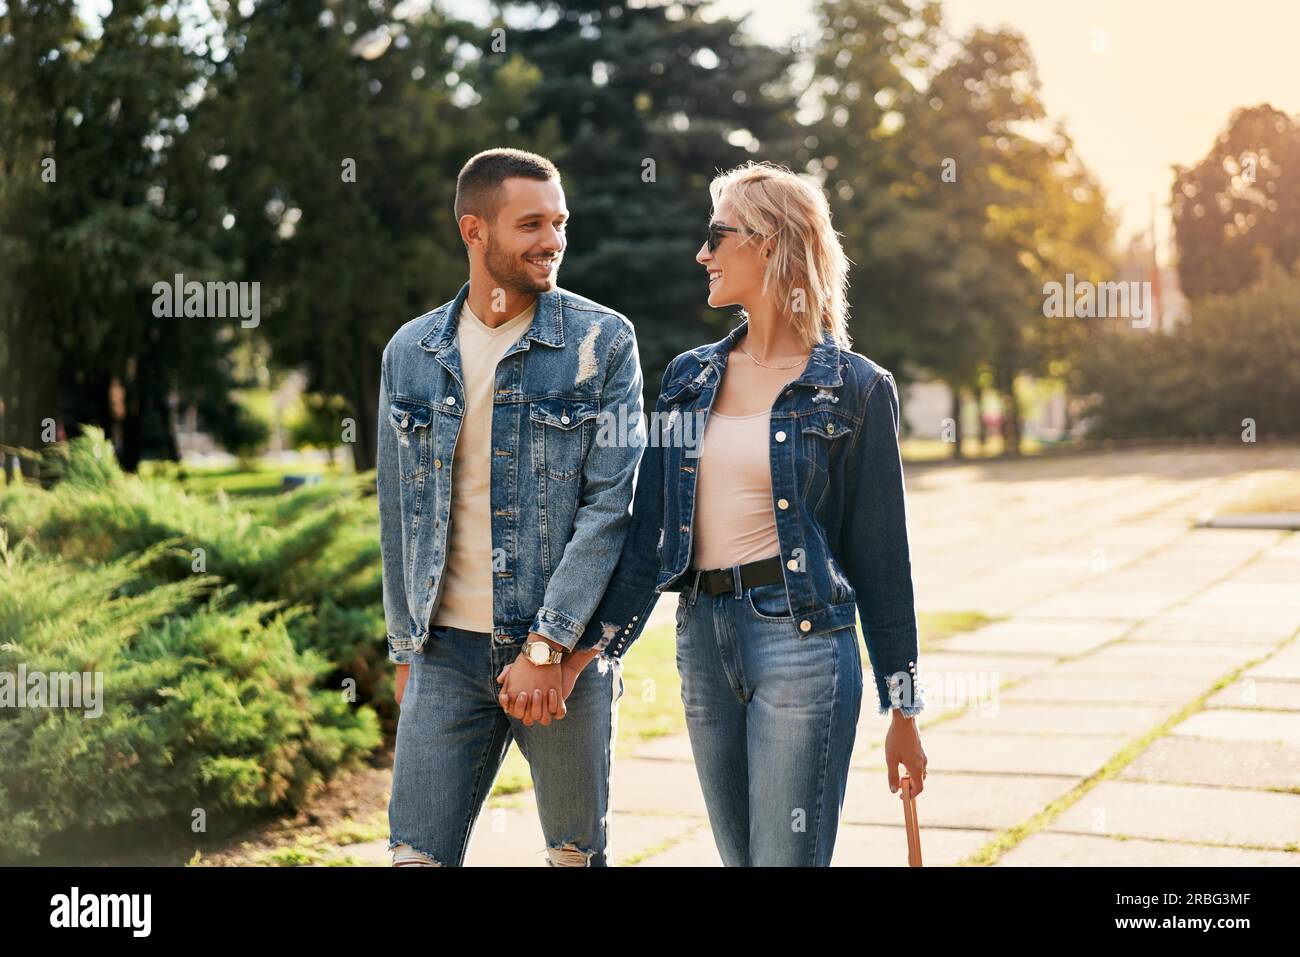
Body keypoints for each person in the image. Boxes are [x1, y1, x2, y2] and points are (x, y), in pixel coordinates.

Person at [571, 160, 928, 866]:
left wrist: (904, 710)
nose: (702, 253)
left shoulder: (854, 389)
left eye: (717, 235)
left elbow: (883, 561)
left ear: (768, 243)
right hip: (702, 639)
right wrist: (591, 647)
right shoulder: (688, 377)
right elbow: (650, 537)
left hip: (801, 640)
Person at [378, 148, 643, 866]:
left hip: (560, 658)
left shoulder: (602, 342)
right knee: (413, 855)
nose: (553, 239)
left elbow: (611, 507)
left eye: (559, 221)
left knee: (573, 856)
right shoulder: (410, 351)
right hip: (444, 652)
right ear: (474, 230)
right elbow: (398, 510)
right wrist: (405, 647)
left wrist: (550, 644)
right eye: (531, 224)